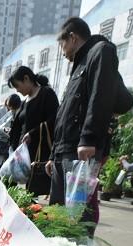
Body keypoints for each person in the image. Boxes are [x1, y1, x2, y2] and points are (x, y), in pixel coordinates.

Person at [44, 17, 122, 206]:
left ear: (72, 37)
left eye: (62, 44)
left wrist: (88, 138)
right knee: (58, 211)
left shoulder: (101, 51)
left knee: (77, 214)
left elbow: (101, 96)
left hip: (80, 149)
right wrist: (53, 155)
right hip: (65, 150)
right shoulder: (80, 63)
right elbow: (66, 113)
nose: (62, 52)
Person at [7, 66, 59, 174]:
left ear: (26, 79)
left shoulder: (46, 94)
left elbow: (55, 119)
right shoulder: (24, 101)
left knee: (37, 188)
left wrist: (32, 133)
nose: (17, 90)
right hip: (24, 158)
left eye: (17, 86)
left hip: (41, 156)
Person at [0, 94, 22, 174]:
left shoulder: (18, 112)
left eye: (14, 107)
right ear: (8, 104)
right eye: (11, 107)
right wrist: (5, 130)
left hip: (11, 145)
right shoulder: (0, 111)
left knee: (10, 171)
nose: (12, 109)